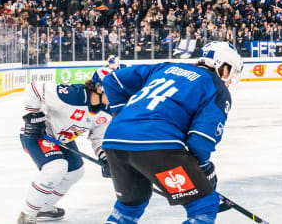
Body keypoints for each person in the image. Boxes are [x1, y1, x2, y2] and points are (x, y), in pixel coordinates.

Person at [100, 41, 242, 224]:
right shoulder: (216, 87)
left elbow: (113, 80)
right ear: (224, 67)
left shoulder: (167, 67)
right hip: (157, 146)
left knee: (130, 206)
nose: (230, 81)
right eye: (231, 74)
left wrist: (122, 116)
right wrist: (205, 169)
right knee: (204, 205)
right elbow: (200, 141)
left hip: (114, 140)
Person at [17, 72, 110, 223]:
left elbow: (98, 137)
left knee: (76, 171)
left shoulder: (106, 110)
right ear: (99, 88)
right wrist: (33, 116)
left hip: (62, 140)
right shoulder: (73, 95)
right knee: (56, 167)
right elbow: (33, 89)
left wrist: (105, 157)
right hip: (39, 133)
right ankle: (27, 215)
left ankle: (44, 208)